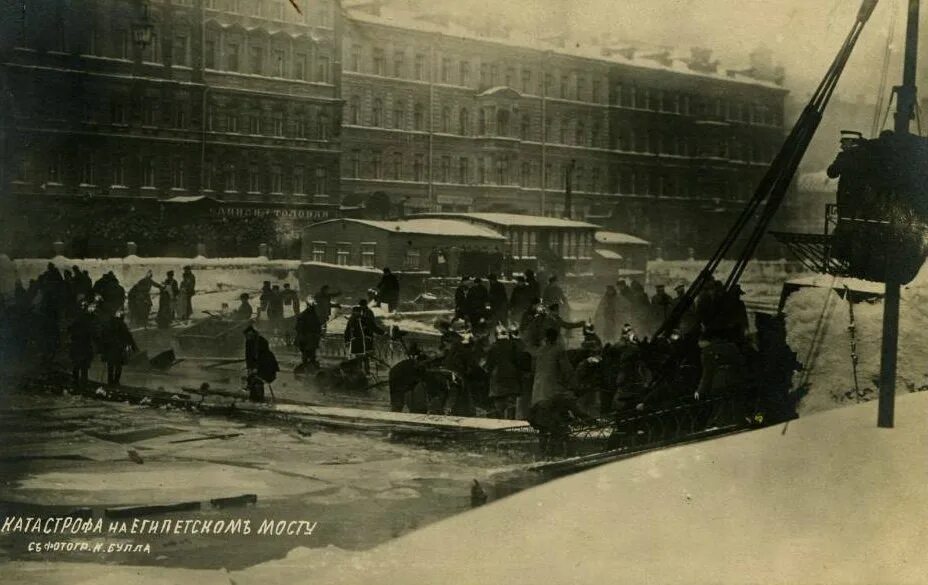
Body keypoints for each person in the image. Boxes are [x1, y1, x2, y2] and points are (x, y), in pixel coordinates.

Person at [485, 326, 531, 419]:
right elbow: (519, 361)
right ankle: (510, 422)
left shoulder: (493, 347)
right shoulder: (513, 345)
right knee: (511, 403)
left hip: (497, 377)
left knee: (499, 403)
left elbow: (489, 364)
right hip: (512, 376)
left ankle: (500, 423)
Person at [99, 311, 138, 386]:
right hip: (118, 348)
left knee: (110, 365)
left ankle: (110, 381)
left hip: (109, 348)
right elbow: (128, 336)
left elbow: (103, 336)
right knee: (118, 365)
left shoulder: (108, 324)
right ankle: (116, 381)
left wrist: (102, 348)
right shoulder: (122, 324)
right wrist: (134, 347)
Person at [244, 325, 279, 402]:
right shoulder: (248, 342)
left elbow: (263, 357)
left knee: (258, 380)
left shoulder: (262, 341)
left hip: (266, 364)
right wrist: (249, 368)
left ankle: (259, 399)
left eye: (249, 335)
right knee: (252, 379)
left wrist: (256, 368)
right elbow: (248, 356)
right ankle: (253, 399)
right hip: (256, 365)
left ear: (253, 333)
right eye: (247, 336)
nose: (248, 337)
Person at [68, 304, 96, 389]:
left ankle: (76, 382)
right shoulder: (87, 321)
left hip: (78, 345)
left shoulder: (77, 320)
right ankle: (83, 383)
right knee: (83, 365)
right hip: (83, 345)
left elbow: (70, 330)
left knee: (77, 365)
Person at [294, 297, 322, 368]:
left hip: (309, 337)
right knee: (308, 353)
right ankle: (308, 366)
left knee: (308, 353)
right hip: (307, 337)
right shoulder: (308, 315)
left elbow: (298, 327)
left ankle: (308, 365)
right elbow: (299, 327)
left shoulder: (306, 315)